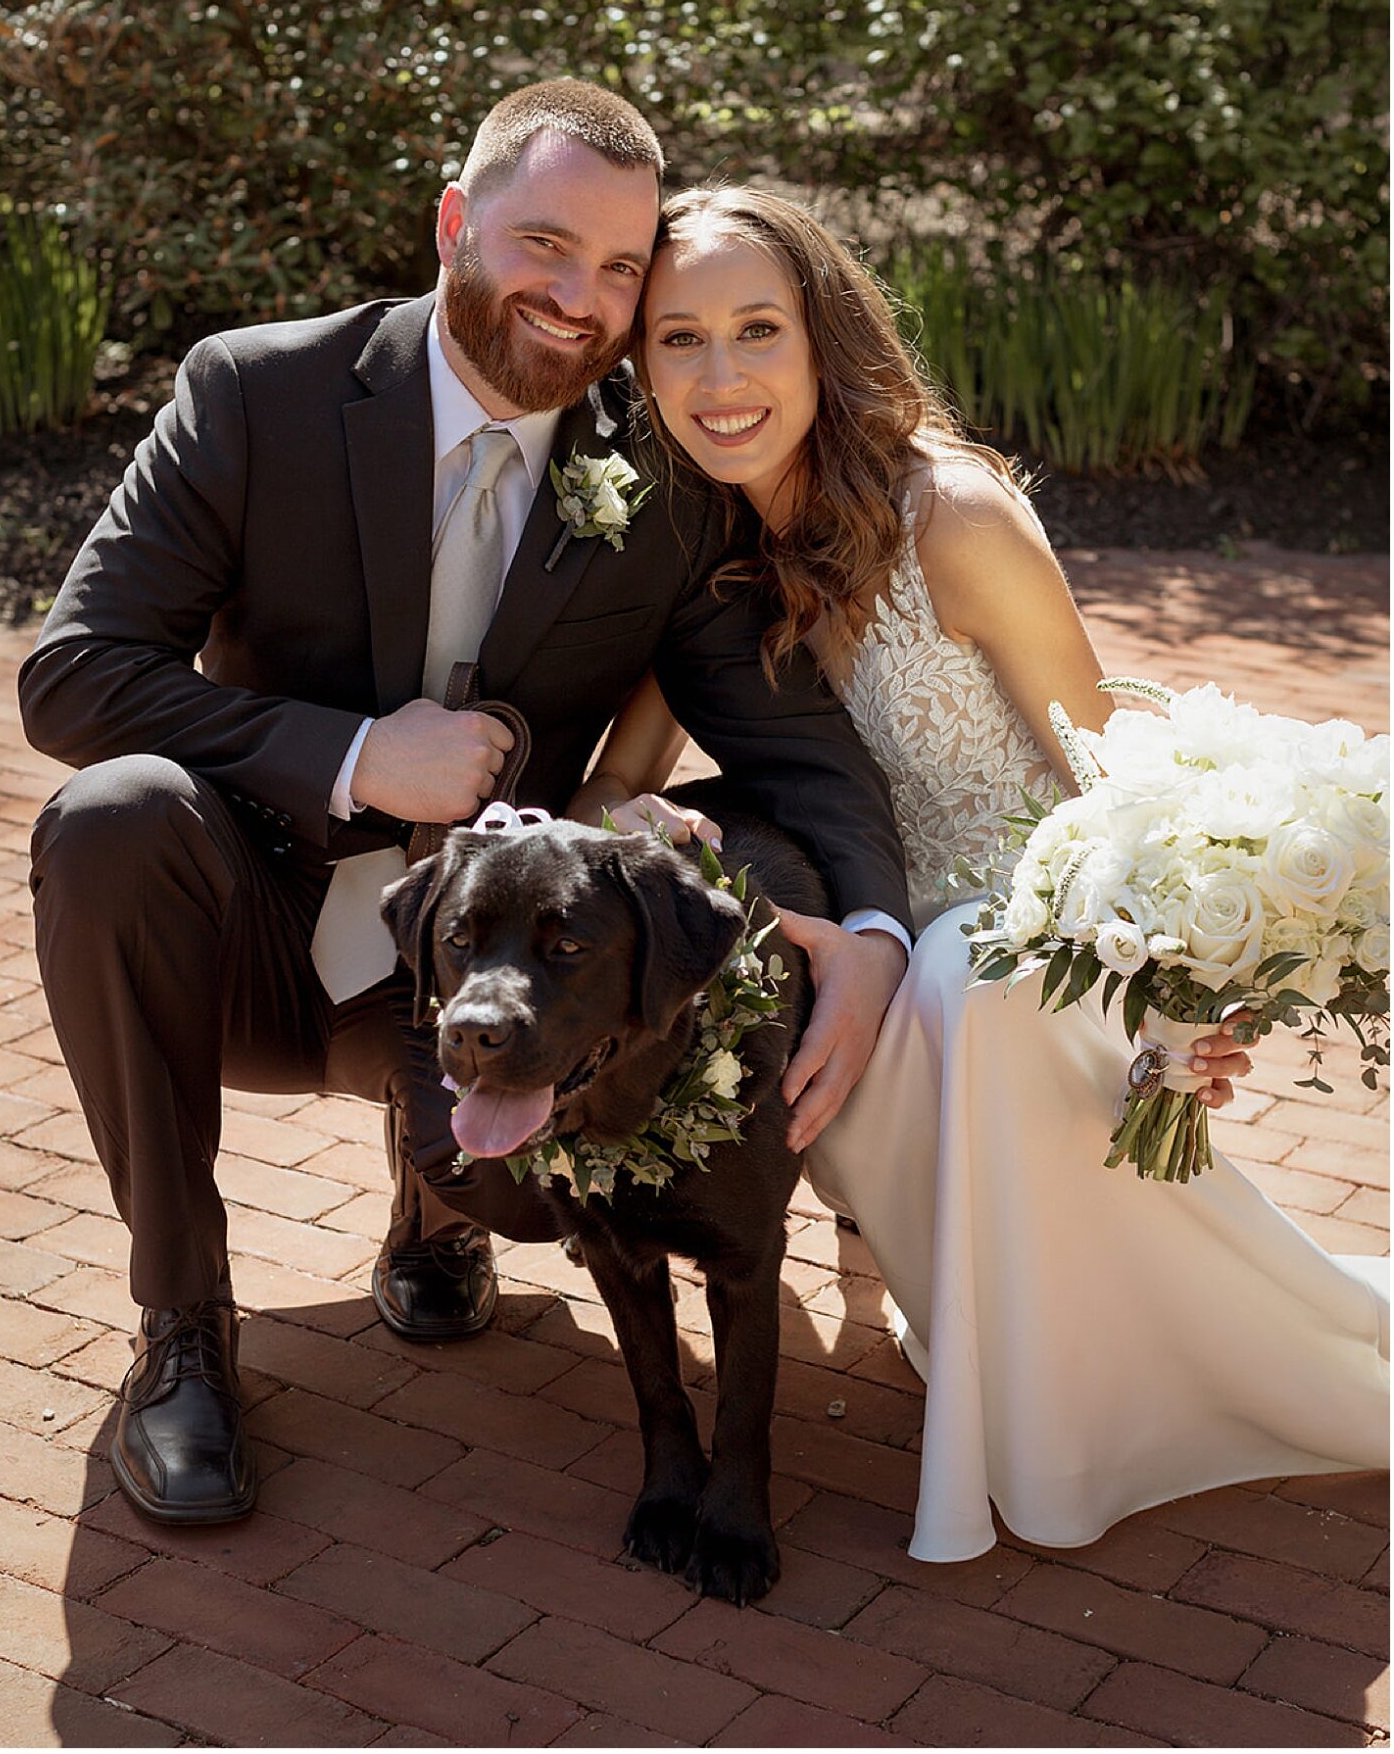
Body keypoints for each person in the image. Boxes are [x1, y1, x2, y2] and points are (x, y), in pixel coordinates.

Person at [20, 87, 913, 1528]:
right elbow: (72, 677)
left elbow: (792, 741)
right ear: (455, 222)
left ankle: (437, 1206)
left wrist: (867, 930)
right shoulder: (259, 393)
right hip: (258, 931)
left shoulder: (661, 477)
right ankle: (181, 1325)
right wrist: (362, 755)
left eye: (621, 269)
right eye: (544, 246)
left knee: (523, 1192)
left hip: (495, 982)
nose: (579, 301)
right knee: (110, 817)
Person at [579, 183, 1390, 1561]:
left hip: (1038, 926)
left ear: (822, 338)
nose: (722, 379)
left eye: (757, 330)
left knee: (977, 984)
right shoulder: (698, 554)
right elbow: (612, 781)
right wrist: (641, 830)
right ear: (640, 368)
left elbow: (1113, 782)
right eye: (680, 340)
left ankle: (1084, 1408)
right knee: (887, 983)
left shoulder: (949, 513)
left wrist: (1178, 1006)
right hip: (866, 943)